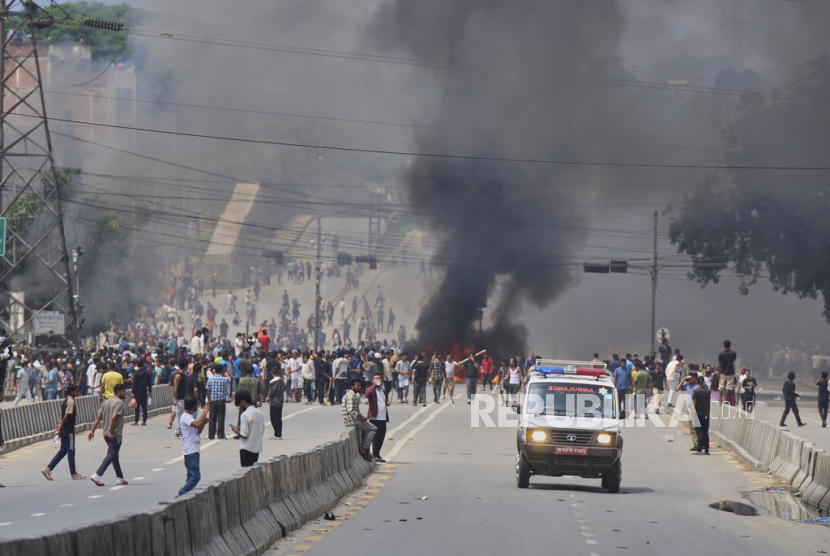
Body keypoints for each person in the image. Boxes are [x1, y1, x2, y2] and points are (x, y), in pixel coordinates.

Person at [41, 384, 85, 481]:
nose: (78, 392)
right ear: (72, 392)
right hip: (69, 430)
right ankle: (73, 473)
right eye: (76, 391)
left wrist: (60, 426)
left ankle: (48, 469)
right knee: (71, 450)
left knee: (63, 450)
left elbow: (61, 415)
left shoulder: (65, 401)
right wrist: (61, 426)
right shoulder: (71, 401)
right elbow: (66, 416)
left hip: (65, 429)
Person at [88, 383, 128, 487]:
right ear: (118, 392)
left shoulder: (106, 402)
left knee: (114, 455)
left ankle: (120, 477)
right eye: (124, 391)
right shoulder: (119, 403)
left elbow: (98, 417)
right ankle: (98, 474)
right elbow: (114, 417)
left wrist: (92, 430)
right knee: (111, 454)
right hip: (114, 434)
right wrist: (111, 431)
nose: (125, 393)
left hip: (105, 433)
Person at [177, 394, 210, 497]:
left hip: (194, 450)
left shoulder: (190, 417)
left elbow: (197, 431)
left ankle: (184, 497)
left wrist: (203, 423)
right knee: (195, 477)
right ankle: (180, 494)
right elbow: (196, 424)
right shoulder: (186, 417)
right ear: (195, 406)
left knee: (190, 477)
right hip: (190, 451)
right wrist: (205, 411)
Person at [342, 378, 376, 461]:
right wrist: (361, 417)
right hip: (351, 420)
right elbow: (350, 411)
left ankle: (365, 450)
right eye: (357, 385)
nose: (359, 387)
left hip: (353, 419)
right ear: (352, 386)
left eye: (360, 385)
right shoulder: (351, 396)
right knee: (373, 429)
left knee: (366, 430)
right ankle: (364, 448)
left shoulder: (353, 395)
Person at [230, 391, 264, 467]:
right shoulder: (259, 413)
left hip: (246, 448)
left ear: (242, 402)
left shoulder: (245, 415)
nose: (240, 407)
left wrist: (236, 430)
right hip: (256, 448)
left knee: (245, 470)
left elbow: (244, 434)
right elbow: (260, 429)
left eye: (240, 405)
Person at [365, 372, 391, 462]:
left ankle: (377, 453)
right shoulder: (371, 389)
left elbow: (381, 402)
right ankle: (374, 454)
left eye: (379, 378)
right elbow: (366, 395)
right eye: (375, 378)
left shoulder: (382, 391)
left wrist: (386, 403)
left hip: (383, 418)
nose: (377, 380)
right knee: (375, 437)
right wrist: (374, 386)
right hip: (375, 418)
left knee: (381, 437)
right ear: (372, 381)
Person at [206, 365, 231, 440]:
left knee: (212, 418)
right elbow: (230, 380)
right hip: (221, 400)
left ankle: (211, 434)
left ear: (214, 371)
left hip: (213, 400)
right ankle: (221, 434)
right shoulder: (225, 379)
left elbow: (208, 390)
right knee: (221, 417)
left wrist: (208, 399)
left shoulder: (210, 379)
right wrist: (227, 375)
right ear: (221, 371)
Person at [691, 375, 711, 455]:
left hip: (698, 414)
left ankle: (699, 450)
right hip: (706, 414)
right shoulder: (708, 391)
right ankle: (706, 450)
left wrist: (691, 414)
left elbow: (694, 403)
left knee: (699, 432)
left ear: (697, 382)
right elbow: (709, 403)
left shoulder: (696, 391)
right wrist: (708, 413)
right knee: (705, 432)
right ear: (703, 382)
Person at [131, 359, 153, 426]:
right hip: (144, 391)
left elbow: (134, 383)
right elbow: (149, 383)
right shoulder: (147, 373)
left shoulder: (136, 373)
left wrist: (133, 392)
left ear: (137, 365)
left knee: (136, 407)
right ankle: (144, 421)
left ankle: (136, 421)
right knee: (144, 407)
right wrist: (150, 392)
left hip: (137, 391)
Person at [266, 366, 285, 439]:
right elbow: (284, 389)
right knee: (279, 417)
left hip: (274, 402)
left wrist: (268, 397)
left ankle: (277, 434)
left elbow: (271, 392)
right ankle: (279, 433)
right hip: (280, 401)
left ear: (271, 373)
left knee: (274, 418)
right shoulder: (281, 381)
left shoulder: (272, 382)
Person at [717, 340, 737, 406]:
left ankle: (720, 399)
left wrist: (718, 372)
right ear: (730, 345)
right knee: (729, 387)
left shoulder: (721, 354)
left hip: (723, 372)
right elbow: (734, 360)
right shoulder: (733, 353)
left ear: (723, 345)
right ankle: (726, 400)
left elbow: (719, 363)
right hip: (730, 372)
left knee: (721, 386)